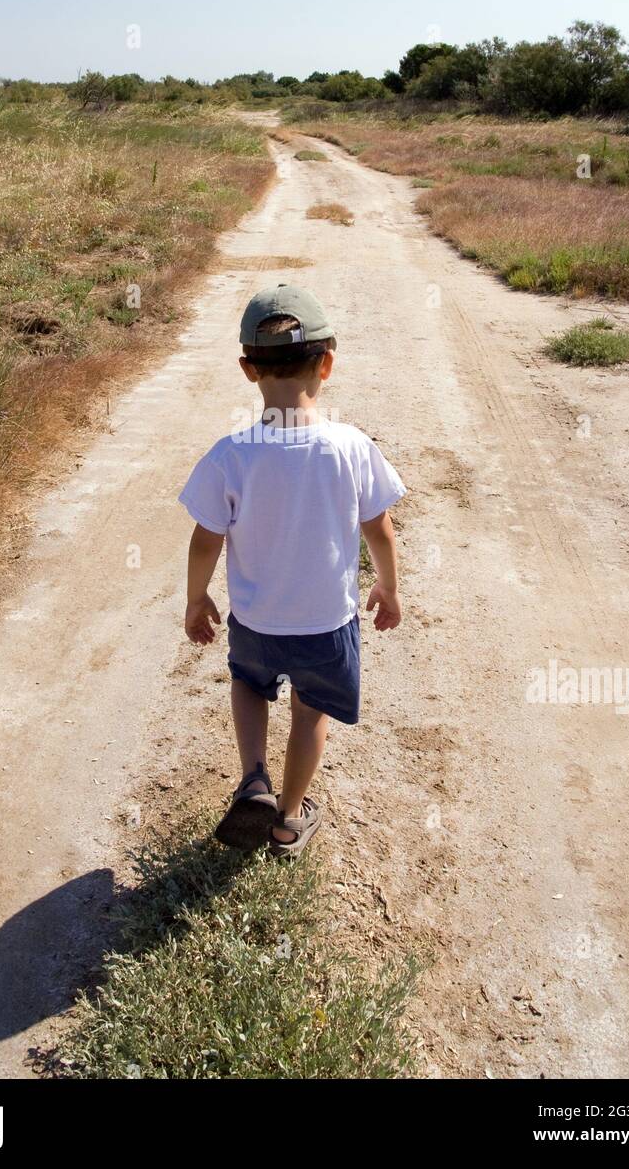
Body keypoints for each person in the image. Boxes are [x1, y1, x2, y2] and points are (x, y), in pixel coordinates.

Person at [178, 283, 405, 857]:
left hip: (256, 620)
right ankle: (286, 821)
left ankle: (253, 777)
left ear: (248, 368)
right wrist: (388, 586)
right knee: (309, 715)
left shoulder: (231, 454)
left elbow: (206, 539)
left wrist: (197, 599)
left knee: (250, 685)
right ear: (327, 364)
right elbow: (378, 528)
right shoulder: (352, 448)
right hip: (326, 625)